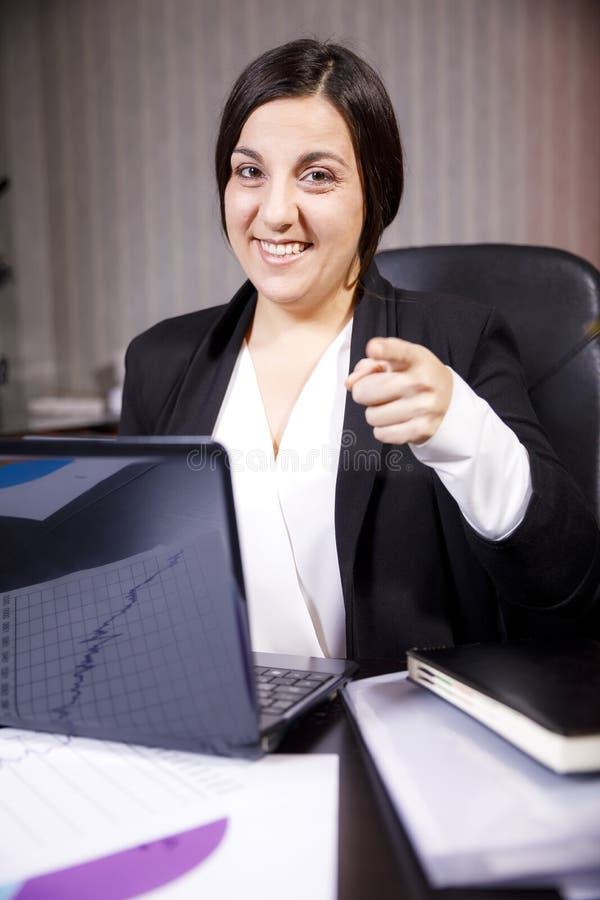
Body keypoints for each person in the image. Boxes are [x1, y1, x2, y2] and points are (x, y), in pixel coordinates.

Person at [120, 38, 600, 660]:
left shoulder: (458, 341)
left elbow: (572, 583)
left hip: (395, 735)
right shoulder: (158, 361)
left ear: (374, 193)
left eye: (317, 176)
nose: (274, 212)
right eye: (250, 172)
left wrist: (462, 426)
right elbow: (127, 596)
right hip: (210, 733)